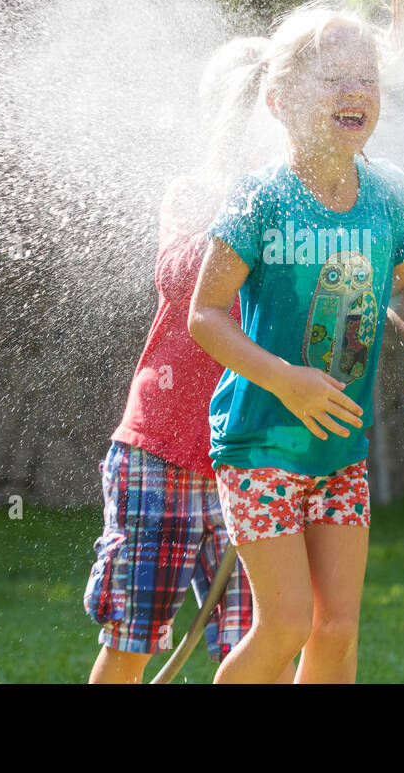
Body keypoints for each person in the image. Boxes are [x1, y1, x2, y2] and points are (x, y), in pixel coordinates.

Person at [187, 0, 404, 684]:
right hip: (261, 443)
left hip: (340, 449)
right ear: (279, 100)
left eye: (367, 75)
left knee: (336, 630)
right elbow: (204, 315)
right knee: (289, 624)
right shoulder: (260, 199)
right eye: (334, 77)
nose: (355, 89)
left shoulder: (388, 194)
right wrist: (286, 379)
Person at [84, 36, 294, 683]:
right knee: (133, 641)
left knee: (268, 644)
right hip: (160, 456)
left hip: (251, 460)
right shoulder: (195, 191)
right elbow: (179, 279)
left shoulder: (296, 210)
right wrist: (236, 207)